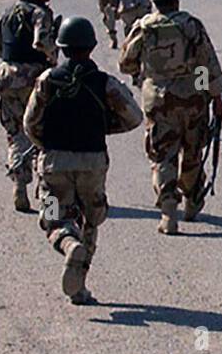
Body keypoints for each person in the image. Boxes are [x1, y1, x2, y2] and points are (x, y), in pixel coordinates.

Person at [24, 16, 142, 305]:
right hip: (93, 163)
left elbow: (30, 124)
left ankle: (68, 244)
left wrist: (47, 147)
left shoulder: (46, 81)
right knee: (91, 219)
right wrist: (104, 126)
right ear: (91, 47)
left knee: (53, 218)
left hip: (54, 164)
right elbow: (134, 117)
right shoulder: (105, 83)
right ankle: (79, 285)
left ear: (61, 47)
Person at [119, 0, 222, 236]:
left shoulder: (143, 26)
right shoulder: (191, 26)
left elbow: (126, 63)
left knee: (162, 156)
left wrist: (149, 77)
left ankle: (168, 212)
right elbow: (207, 63)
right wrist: (212, 95)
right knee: (192, 151)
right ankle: (191, 201)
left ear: (154, 0)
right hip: (192, 99)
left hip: (158, 100)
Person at [0, 0, 58, 212]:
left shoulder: (8, 13)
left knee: (16, 135)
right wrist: (53, 58)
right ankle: (47, 196)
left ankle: (19, 184)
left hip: (7, 77)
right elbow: (41, 42)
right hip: (33, 78)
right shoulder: (40, 13)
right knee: (42, 136)